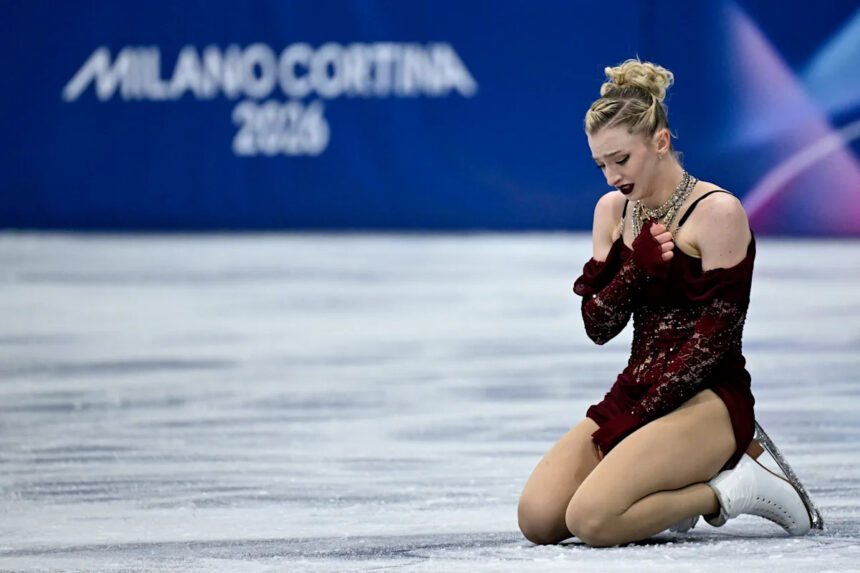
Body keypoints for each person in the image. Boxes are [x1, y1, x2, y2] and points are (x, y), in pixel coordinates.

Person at [517, 59, 817, 547]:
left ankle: (735, 487)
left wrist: (638, 421)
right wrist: (634, 269)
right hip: (636, 389)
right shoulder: (613, 211)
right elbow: (597, 326)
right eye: (601, 165)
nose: (611, 176)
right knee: (538, 520)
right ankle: (661, 483)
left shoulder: (717, 212)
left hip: (708, 398)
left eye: (621, 159)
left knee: (593, 520)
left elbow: (714, 343)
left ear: (659, 142)